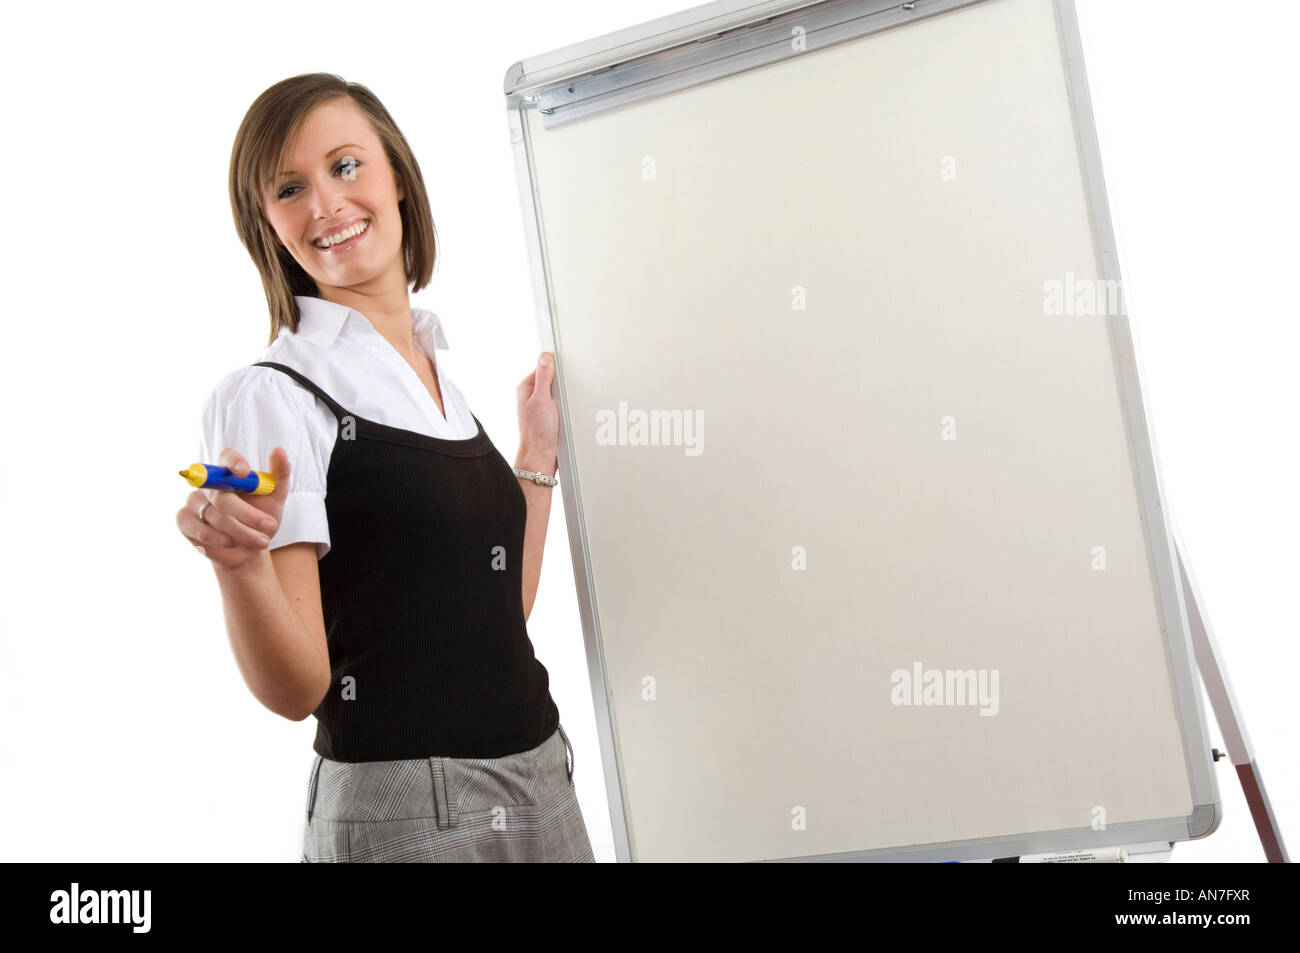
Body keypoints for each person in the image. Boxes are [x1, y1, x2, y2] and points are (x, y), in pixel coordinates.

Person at [174, 73, 594, 862]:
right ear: (267, 224)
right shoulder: (273, 395)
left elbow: (496, 613)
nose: (325, 204)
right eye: (290, 188)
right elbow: (298, 690)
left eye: (345, 166)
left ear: (395, 175)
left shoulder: (441, 379)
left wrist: (534, 460)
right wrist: (239, 568)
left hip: (542, 778)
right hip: (406, 812)